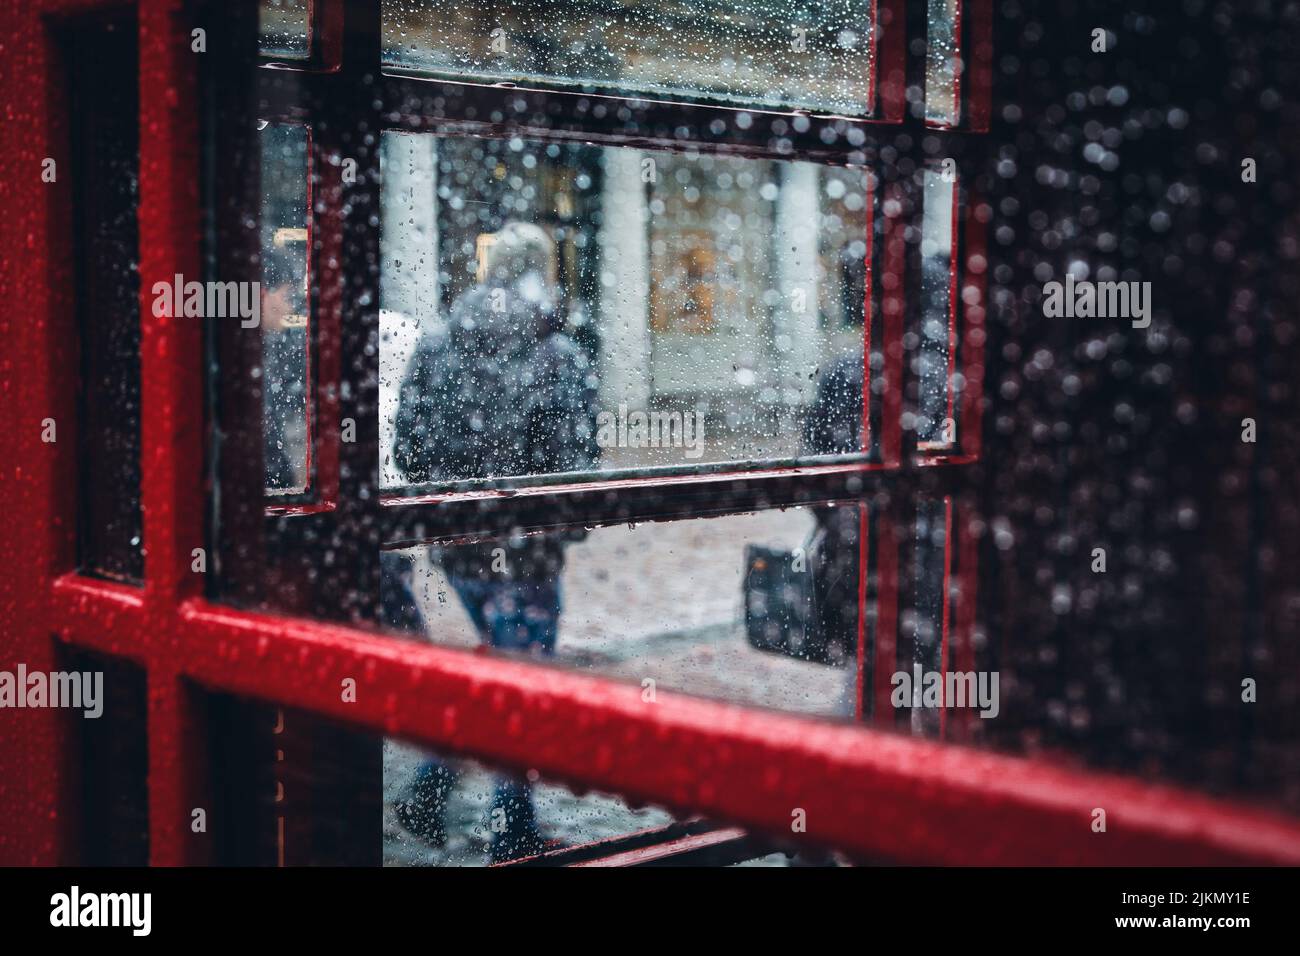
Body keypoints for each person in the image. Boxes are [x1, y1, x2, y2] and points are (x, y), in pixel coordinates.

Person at [388, 221, 598, 862]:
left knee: (496, 671)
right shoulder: (559, 354)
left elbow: (410, 449)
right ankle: (511, 831)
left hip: (461, 551)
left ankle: (430, 800)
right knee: (521, 688)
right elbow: (574, 464)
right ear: (541, 272)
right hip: (529, 556)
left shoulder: (438, 347)